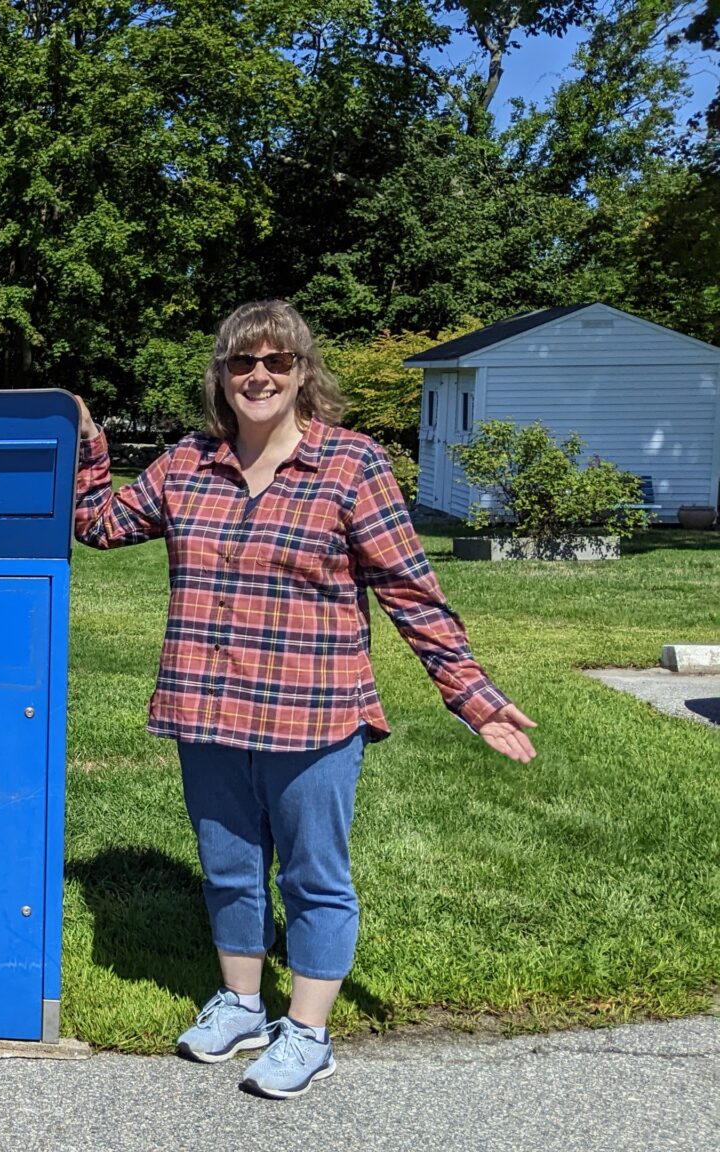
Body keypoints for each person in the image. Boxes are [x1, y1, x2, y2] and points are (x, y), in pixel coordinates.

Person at [71, 299, 536, 1100]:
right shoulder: (187, 463)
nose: (259, 375)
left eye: (276, 362)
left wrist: (473, 695)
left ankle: (309, 1032)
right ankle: (242, 1004)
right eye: (242, 362)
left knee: (314, 876)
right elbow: (99, 523)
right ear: (221, 376)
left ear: (301, 373)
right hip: (207, 708)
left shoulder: (352, 466)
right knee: (228, 868)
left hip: (312, 712)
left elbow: (411, 593)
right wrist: (84, 439)